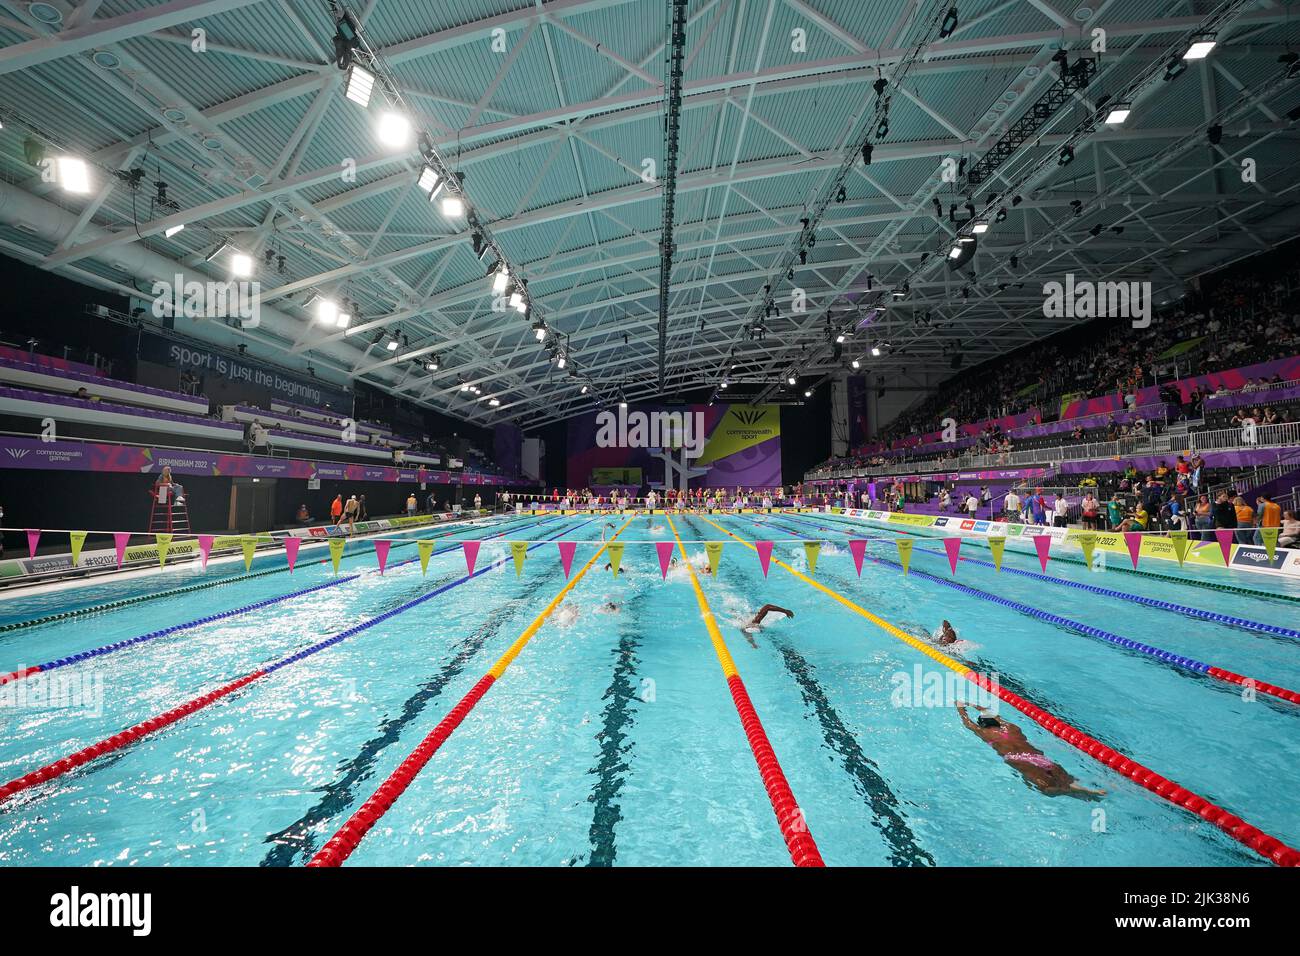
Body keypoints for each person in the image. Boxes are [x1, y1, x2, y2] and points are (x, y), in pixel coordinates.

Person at [956, 703, 1105, 800]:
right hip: (1036, 755)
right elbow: (993, 714)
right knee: (1066, 778)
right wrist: (972, 704)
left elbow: (967, 722)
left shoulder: (985, 733)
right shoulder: (1010, 727)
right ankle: (1085, 788)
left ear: (983, 725)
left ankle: (1069, 791)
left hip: (1018, 760)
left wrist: (960, 708)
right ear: (995, 721)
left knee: (1045, 788)